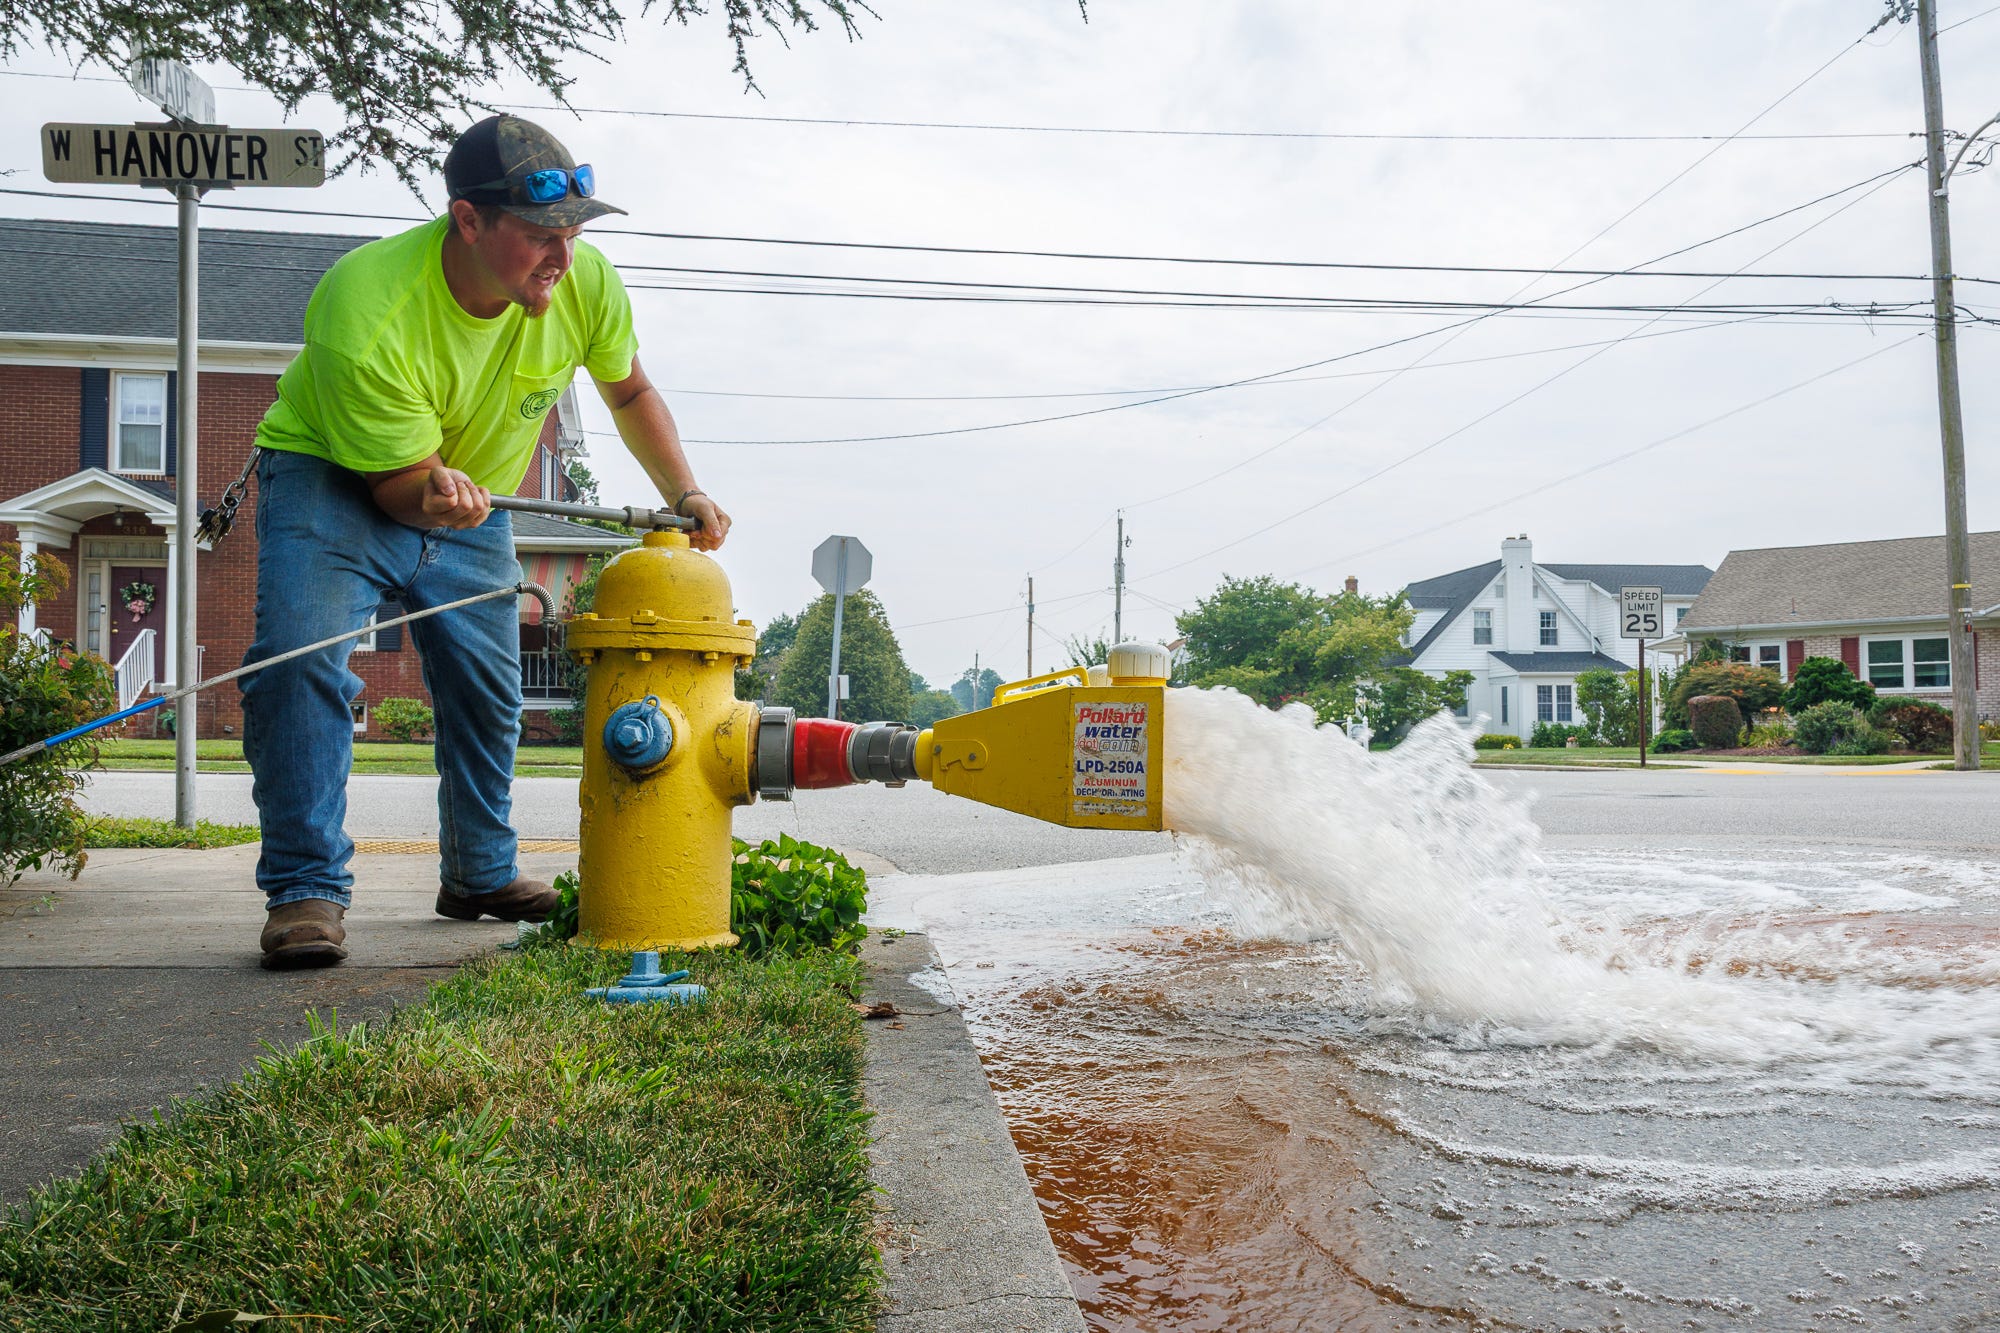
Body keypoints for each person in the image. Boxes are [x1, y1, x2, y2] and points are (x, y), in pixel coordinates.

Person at [242, 115, 729, 969]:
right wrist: (433, 489)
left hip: (476, 494)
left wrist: (681, 489)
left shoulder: (583, 284)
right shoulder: (366, 306)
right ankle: (305, 890)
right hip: (335, 480)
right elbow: (399, 493)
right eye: (542, 234)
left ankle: (478, 874)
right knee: (298, 661)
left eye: (573, 233)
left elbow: (628, 391)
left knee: (488, 691)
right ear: (468, 221)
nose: (563, 257)